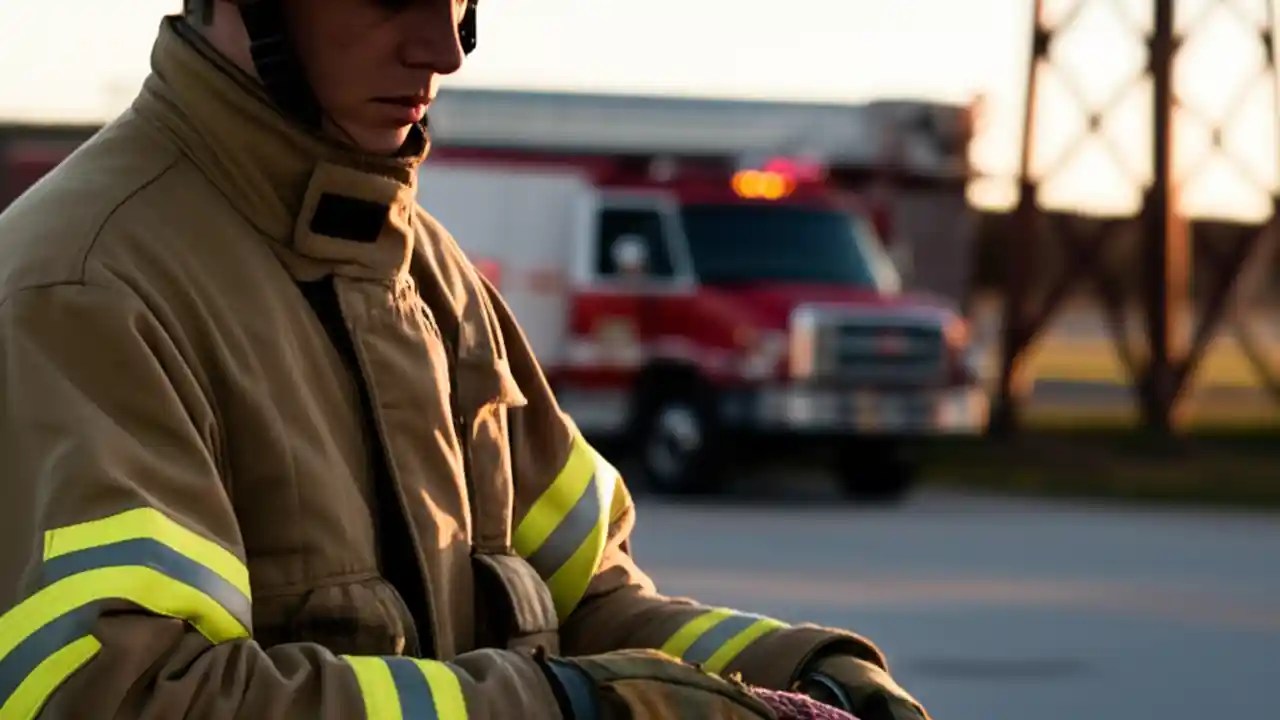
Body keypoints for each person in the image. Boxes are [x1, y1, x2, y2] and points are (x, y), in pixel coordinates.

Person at [0, 2, 931, 718]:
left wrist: (802, 671)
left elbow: (590, 603)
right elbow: (121, 699)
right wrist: (567, 707)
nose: (444, 50)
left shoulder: (432, 278)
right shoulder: (85, 288)